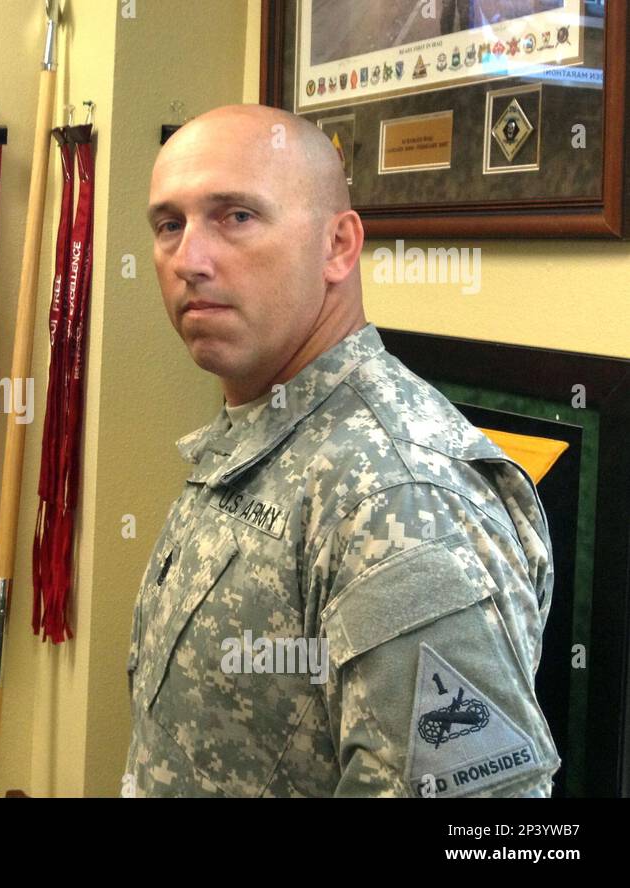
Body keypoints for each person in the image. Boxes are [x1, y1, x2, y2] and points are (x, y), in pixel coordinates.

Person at [127, 104, 560, 797]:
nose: (190, 260)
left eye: (236, 216)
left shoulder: (398, 495)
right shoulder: (270, 430)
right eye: (169, 225)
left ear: (338, 246)